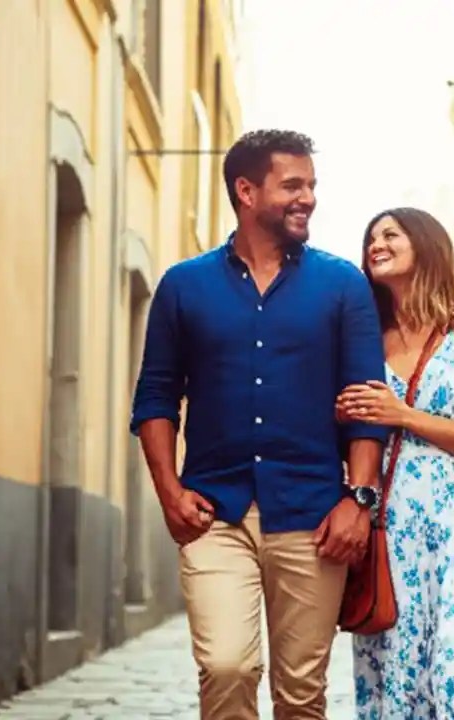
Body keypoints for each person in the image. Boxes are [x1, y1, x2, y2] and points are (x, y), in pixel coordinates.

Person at [130, 129, 390, 720]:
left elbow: (366, 402)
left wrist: (360, 499)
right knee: (227, 667)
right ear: (246, 191)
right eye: (292, 185)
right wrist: (169, 492)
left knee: (302, 691)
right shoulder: (183, 286)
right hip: (213, 512)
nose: (309, 198)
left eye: (312, 186)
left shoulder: (342, 283)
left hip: (313, 514)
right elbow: (156, 397)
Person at [336, 207, 454, 719]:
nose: (376, 243)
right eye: (370, 237)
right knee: (400, 672)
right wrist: (340, 421)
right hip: (393, 528)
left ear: (426, 245)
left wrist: (404, 415)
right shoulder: (363, 343)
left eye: (390, 234)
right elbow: (355, 439)